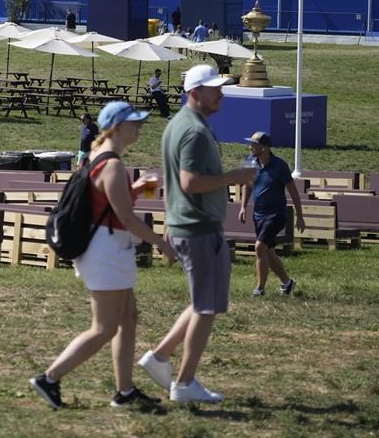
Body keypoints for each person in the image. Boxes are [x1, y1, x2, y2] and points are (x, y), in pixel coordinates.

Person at [30, 101, 177, 411]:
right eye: (134, 123)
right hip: (106, 251)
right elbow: (126, 217)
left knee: (127, 317)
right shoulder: (111, 165)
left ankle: (124, 392)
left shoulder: (103, 159)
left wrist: (135, 189)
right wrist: (162, 244)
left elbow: (110, 205)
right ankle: (50, 378)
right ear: (117, 127)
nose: (139, 127)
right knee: (104, 327)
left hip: (110, 247)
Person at [138, 64, 256, 404]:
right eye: (214, 88)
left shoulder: (179, 125)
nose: (221, 93)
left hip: (189, 226)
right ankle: (185, 382)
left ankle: (159, 358)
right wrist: (234, 176)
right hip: (198, 227)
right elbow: (190, 182)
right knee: (205, 308)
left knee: (202, 303)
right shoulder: (193, 131)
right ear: (195, 93)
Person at [240, 131, 305, 297]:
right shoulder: (250, 162)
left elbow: (293, 192)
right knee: (267, 250)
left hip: (276, 214)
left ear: (265, 147)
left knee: (259, 247)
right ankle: (287, 282)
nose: (250, 147)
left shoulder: (280, 166)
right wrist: (242, 207)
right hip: (258, 214)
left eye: (254, 144)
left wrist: (300, 216)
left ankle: (259, 289)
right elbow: (247, 186)